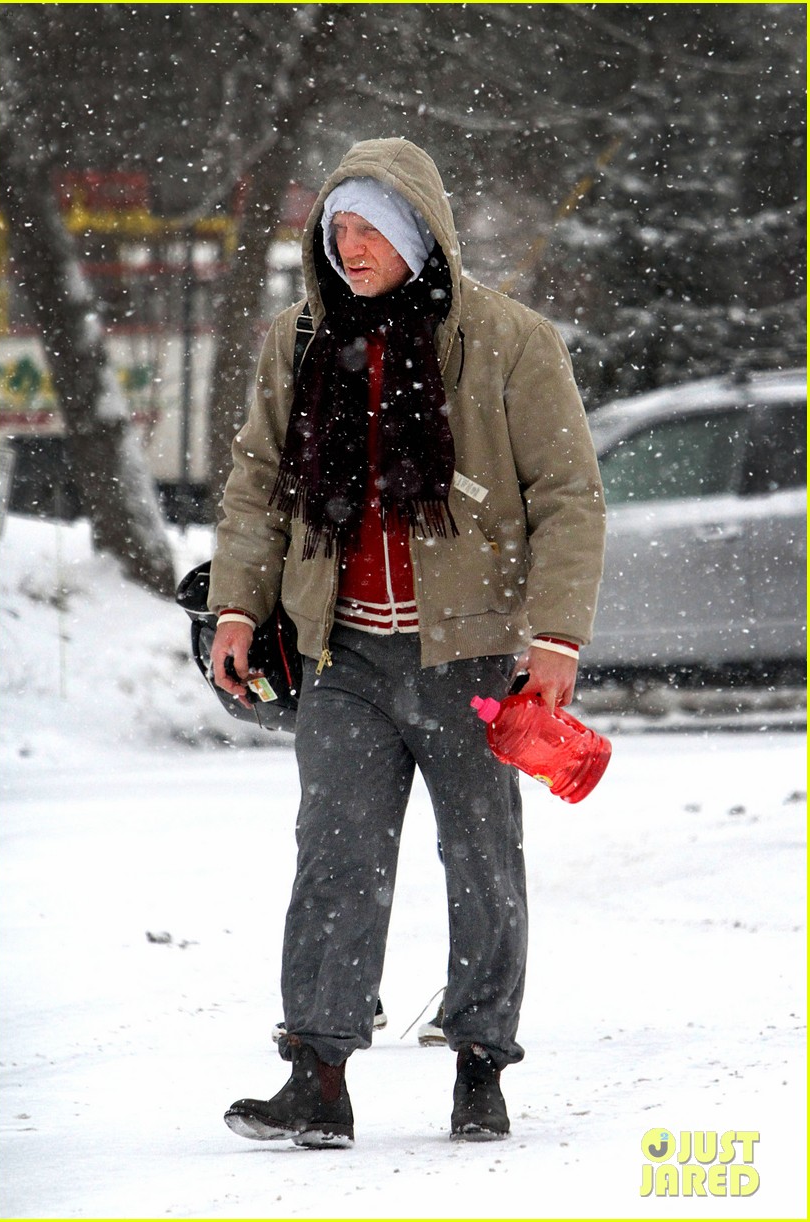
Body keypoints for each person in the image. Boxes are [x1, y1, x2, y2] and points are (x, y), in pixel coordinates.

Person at [208, 137, 606, 1146]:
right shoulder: (299, 339)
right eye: (334, 227)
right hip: (341, 653)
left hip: (468, 655)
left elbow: (567, 498)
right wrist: (239, 610)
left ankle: (480, 1065)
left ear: (416, 231)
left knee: (481, 859)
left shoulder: (509, 341)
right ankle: (321, 1072)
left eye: (367, 226)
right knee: (335, 860)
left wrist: (552, 636)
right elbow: (258, 487)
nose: (347, 245)